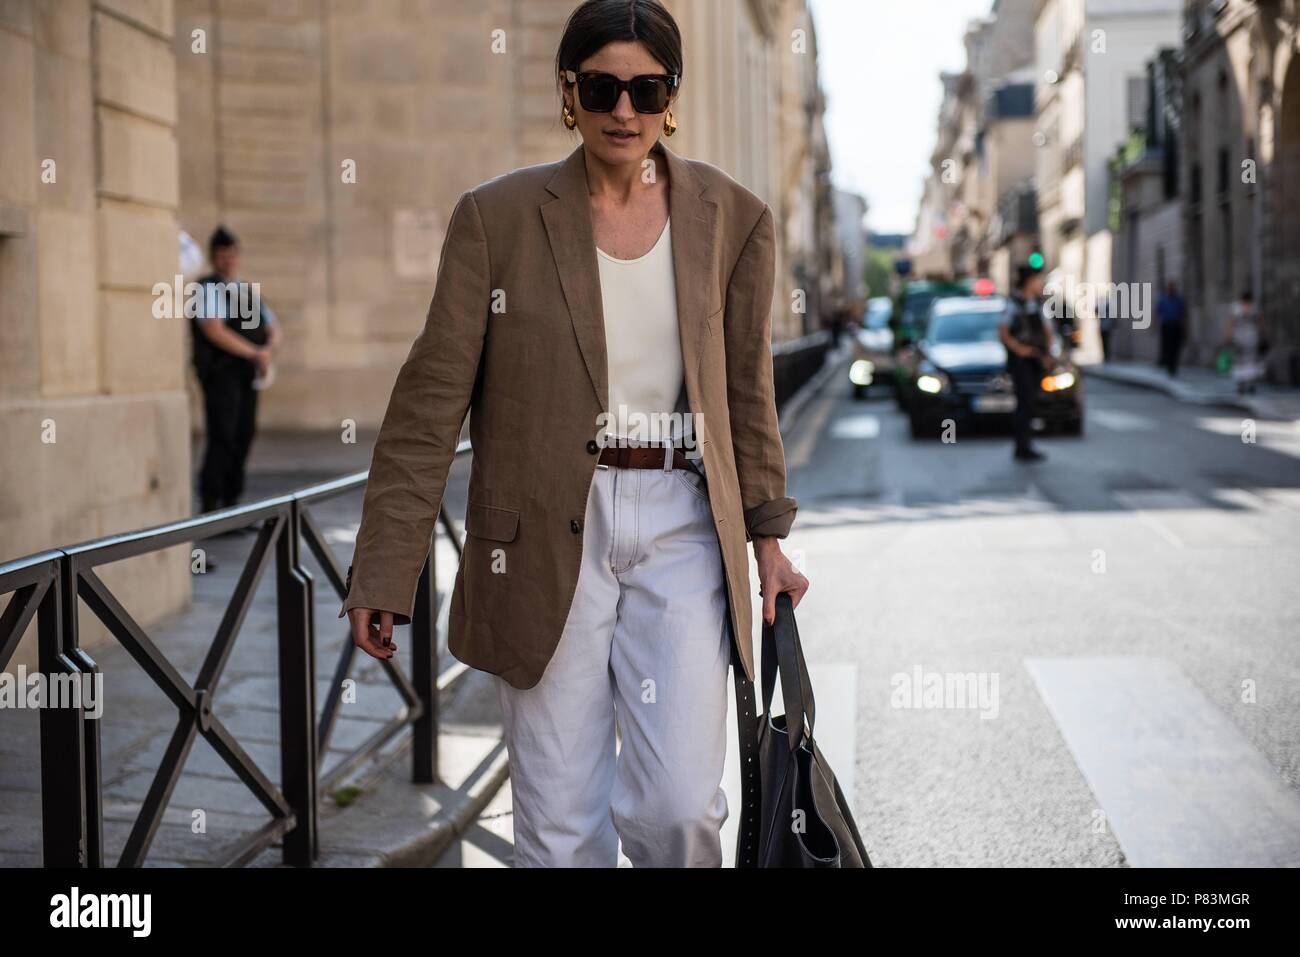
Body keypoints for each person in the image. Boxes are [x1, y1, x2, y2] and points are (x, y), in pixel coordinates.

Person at [339, 0, 808, 868]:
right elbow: (428, 403)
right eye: (601, 87)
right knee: (557, 828)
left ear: (671, 97)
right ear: (569, 93)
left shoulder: (731, 217)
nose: (622, 109)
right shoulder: (498, 218)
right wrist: (385, 567)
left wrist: (769, 536)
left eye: (644, 88)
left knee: (678, 811)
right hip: (545, 535)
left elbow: (749, 392)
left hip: (682, 524)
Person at [191, 226, 281, 514]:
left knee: (244, 433)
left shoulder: (246, 291)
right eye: (221, 255)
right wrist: (255, 353)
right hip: (221, 375)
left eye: (231, 254)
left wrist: (267, 351)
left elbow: (273, 327)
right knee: (223, 434)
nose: (227, 260)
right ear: (213, 258)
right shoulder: (206, 289)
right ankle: (211, 504)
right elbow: (213, 330)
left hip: (247, 375)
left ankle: (232, 502)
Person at [999, 264, 1054, 463]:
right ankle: (1022, 446)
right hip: (1021, 361)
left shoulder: (1039, 304)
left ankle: (1026, 444)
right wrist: (1020, 350)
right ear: (1029, 282)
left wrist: (1047, 354)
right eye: (1037, 280)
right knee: (1024, 402)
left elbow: (1048, 331)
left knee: (1031, 402)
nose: (1040, 284)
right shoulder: (1015, 304)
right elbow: (1004, 332)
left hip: (1036, 358)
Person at [1224, 289, 1268, 395]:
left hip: (1241, 336)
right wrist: (1263, 334)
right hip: (1250, 337)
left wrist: (1228, 336)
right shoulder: (1253, 308)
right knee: (1249, 360)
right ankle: (1249, 383)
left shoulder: (1237, 308)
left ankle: (1243, 383)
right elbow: (1260, 323)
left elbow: (1231, 323)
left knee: (1242, 360)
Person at [1155, 280, 1187, 377]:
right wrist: (1155, 325)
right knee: (1167, 347)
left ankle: (1174, 366)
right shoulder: (1163, 299)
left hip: (1176, 325)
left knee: (1175, 347)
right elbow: (1158, 313)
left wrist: (1185, 328)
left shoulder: (1179, 300)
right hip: (1166, 326)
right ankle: (1169, 366)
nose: (1171, 289)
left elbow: (1183, 314)